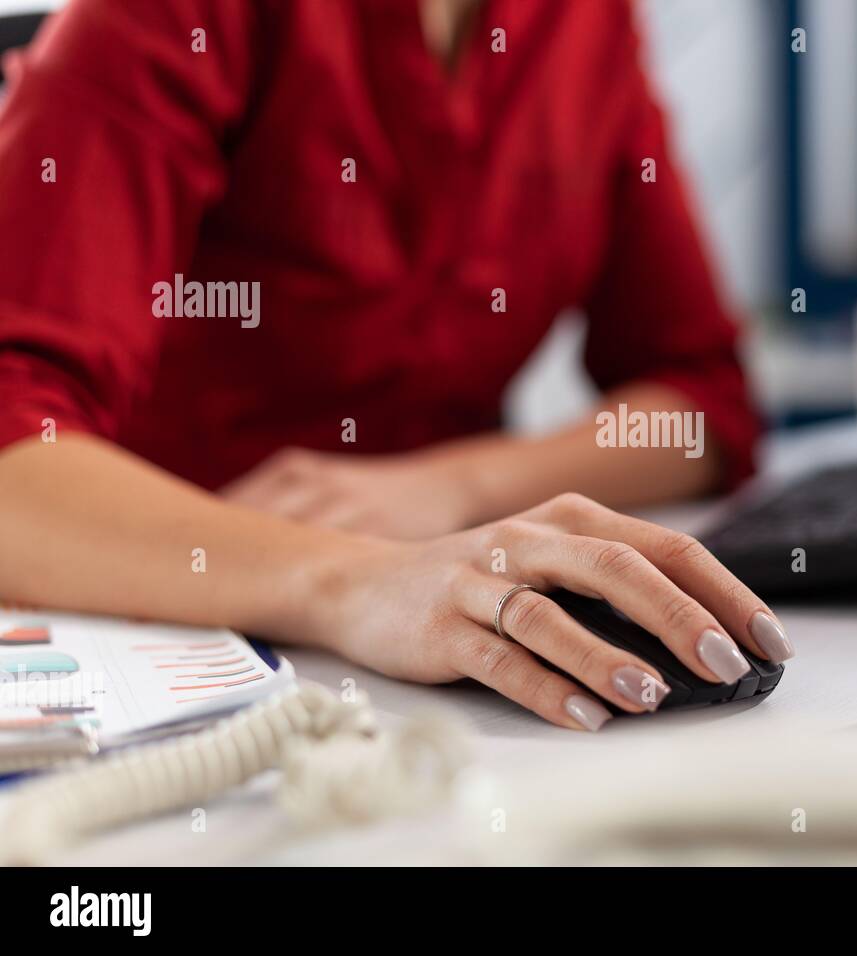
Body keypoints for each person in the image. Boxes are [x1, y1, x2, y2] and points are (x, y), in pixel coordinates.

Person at [0, 0, 793, 731]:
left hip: (436, 641)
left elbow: (702, 404)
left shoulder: (585, 22)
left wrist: (452, 489)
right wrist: (352, 580)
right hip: (172, 650)